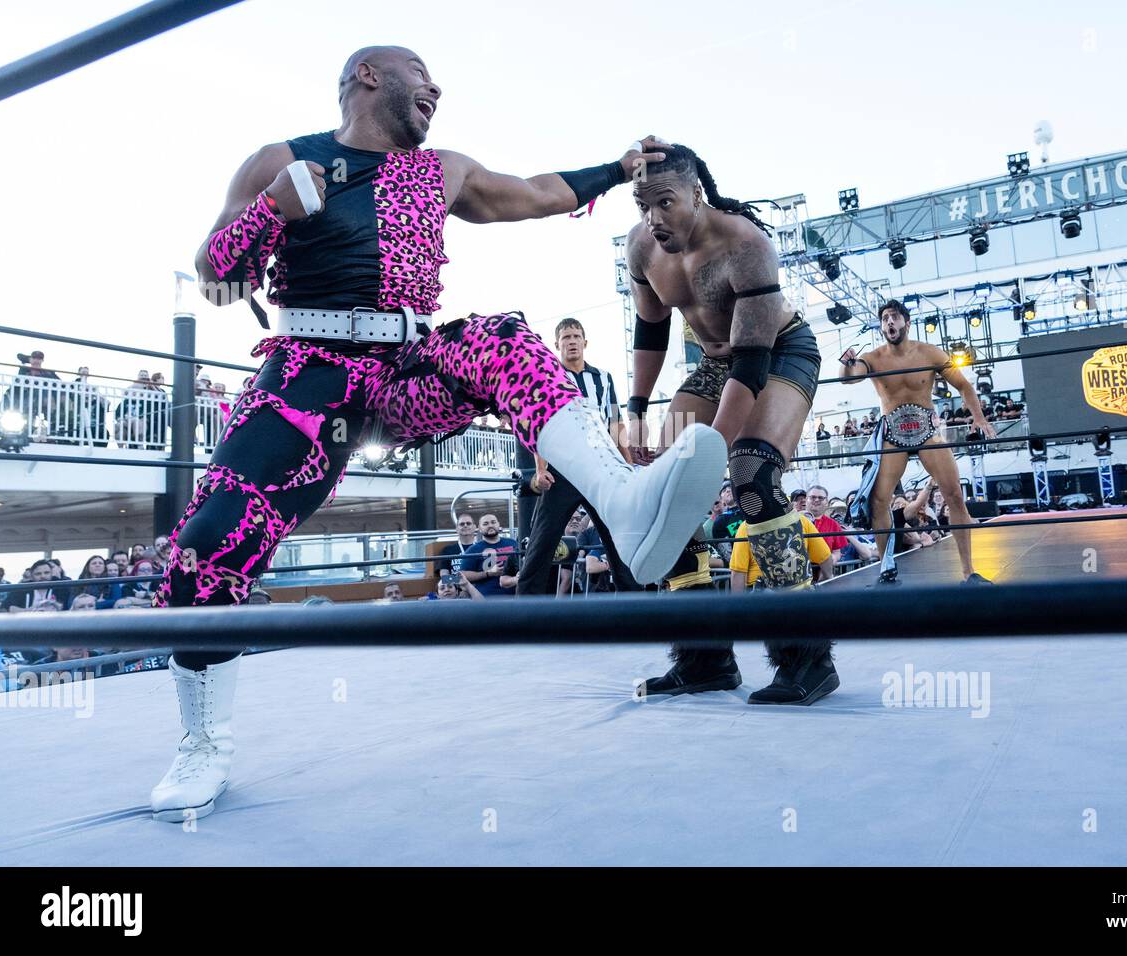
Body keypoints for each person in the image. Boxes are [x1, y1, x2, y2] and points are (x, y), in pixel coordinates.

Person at [146, 47, 727, 822]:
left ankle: (623, 503)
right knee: (207, 542)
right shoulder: (284, 160)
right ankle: (203, 743)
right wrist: (272, 212)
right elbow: (216, 275)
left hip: (410, 362)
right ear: (366, 77)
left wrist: (619, 168)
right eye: (419, 74)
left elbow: (534, 194)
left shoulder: (442, 170)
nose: (436, 88)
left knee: (505, 339)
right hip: (309, 372)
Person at [623, 143, 834, 705]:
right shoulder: (642, 247)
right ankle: (704, 659)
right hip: (715, 362)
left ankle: (807, 659)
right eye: (644, 206)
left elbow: (750, 363)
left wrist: (713, 448)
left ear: (697, 194)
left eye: (665, 202)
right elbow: (651, 329)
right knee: (668, 488)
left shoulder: (746, 245)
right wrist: (637, 412)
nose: (654, 219)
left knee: (751, 476)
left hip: (778, 351)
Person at [840, 299, 995, 586]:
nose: (889, 322)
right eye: (885, 318)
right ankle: (886, 567)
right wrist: (847, 364)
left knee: (954, 495)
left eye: (895, 317)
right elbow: (849, 379)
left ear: (906, 323)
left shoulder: (930, 353)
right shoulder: (873, 358)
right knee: (878, 499)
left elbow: (963, 385)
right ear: (881, 325)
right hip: (893, 434)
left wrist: (979, 418)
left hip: (926, 430)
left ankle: (968, 571)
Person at [517, 317, 639, 595]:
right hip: (564, 470)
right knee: (542, 542)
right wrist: (540, 469)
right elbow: (539, 424)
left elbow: (615, 423)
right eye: (565, 338)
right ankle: (522, 613)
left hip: (601, 469)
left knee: (617, 539)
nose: (571, 341)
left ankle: (635, 606)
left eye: (575, 336)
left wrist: (628, 466)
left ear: (585, 342)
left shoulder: (603, 378)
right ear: (557, 345)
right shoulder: (548, 378)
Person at [729, 516, 834, 592]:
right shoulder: (800, 520)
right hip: (800, 590)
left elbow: (738, 572)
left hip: (762, 596)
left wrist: (737, 611)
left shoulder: (746, 527)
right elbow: (825, 558)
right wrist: (826, 579)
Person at [459, 514, 519, 597]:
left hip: (517, 597)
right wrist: (488, 573)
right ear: (479, 529)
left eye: (493, 522)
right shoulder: (473, 549)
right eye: (485, 524)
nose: (490, 525)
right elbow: (462, 575)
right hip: (488, 600)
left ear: (498, 525)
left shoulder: (513, 543)